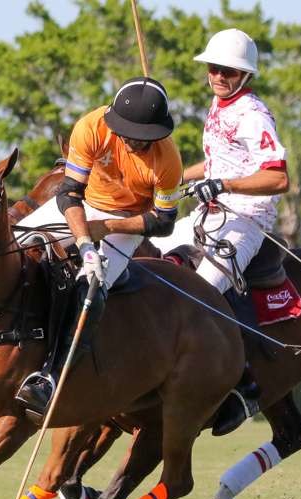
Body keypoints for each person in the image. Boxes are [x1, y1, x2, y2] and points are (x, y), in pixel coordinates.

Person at [14, 76, 185, 421]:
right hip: (81, 205)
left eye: (144, 136)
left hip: (126, 222)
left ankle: (51, 374)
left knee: (91, 288)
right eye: (129, 132)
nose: (136, 141)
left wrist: (106, 229)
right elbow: (68, 193)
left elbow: (163, 222)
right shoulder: (91, 127)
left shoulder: (168, 160)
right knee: (5, 250)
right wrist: (85, 243)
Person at [149, 28, 290, 434]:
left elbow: (278, 178)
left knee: (200, 294)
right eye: (213, 68)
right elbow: (215, 165)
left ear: (245, 75)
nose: (218, 76)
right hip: (208, 213)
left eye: (228, 71)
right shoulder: (218, 104)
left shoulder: (253, 114)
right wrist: (169, 180)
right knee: (147, 261)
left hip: (246, 219)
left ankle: (242, 385)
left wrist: (225, 185)